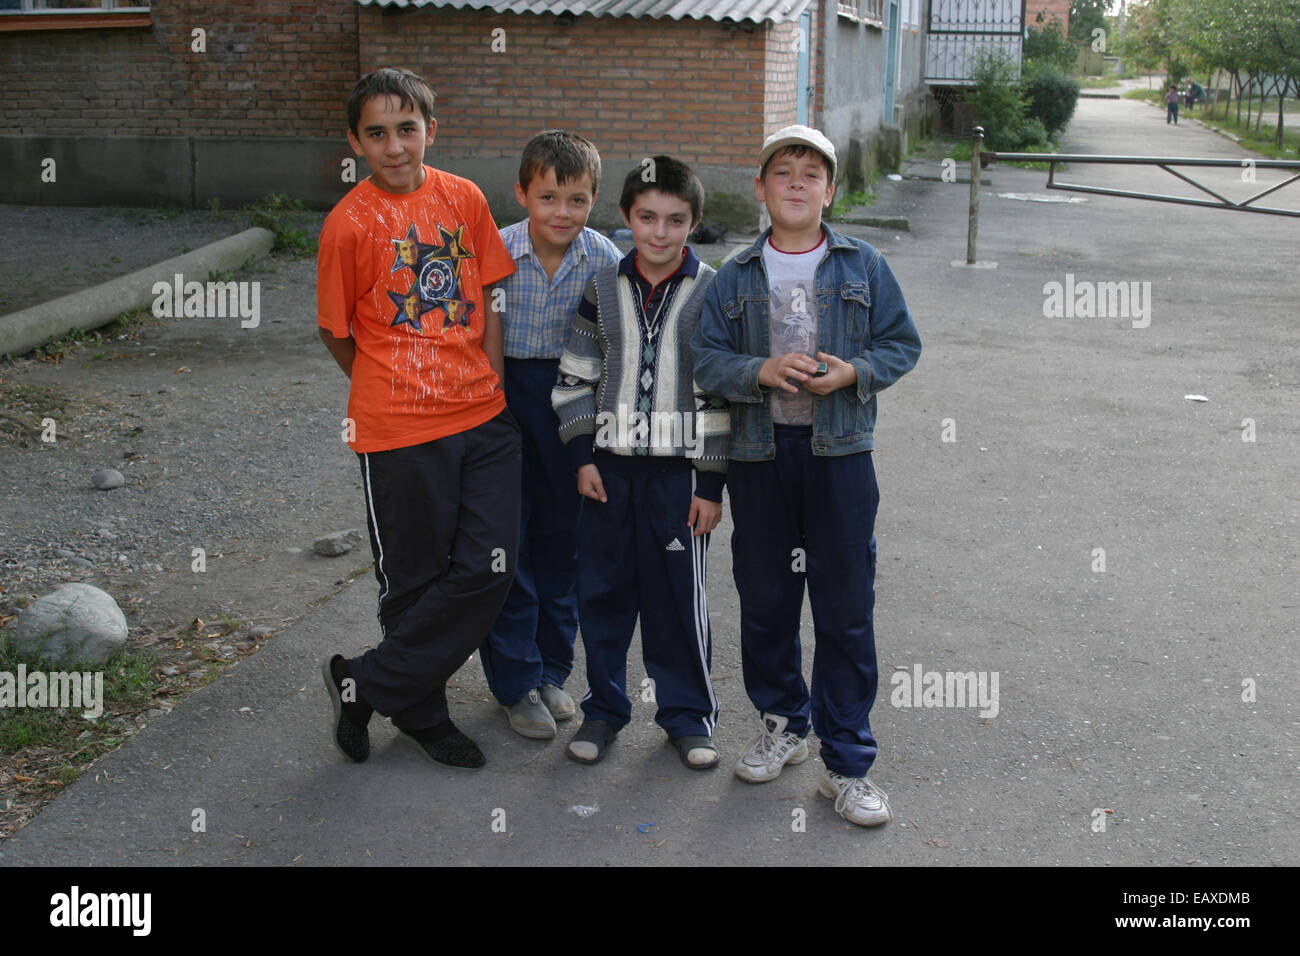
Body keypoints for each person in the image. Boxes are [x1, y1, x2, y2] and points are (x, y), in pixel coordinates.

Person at [690, 125, 921, 826]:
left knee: (846, 610)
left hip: (840, 460)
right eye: (782, 172)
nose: (796, 183)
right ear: (761, 188)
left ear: (830, 189)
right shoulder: (733, 275)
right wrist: (757, 371)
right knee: (765, 602)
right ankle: (784, 724)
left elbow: (901, 343)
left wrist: (856, 373)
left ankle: (847, 764)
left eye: (811, 173)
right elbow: (705, 363)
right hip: (760, 460)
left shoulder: (864, 265)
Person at [316, 67, 521, 770]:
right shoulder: (347, 225)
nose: (395, 146)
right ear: (356, 141)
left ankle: (365, 682)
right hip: (398, 430)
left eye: (407, 129)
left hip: (483, 418)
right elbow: (337, 331)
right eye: (377, 133)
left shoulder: (462, 198)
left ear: (431, 130)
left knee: (490, 565)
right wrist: (388, 384)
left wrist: (488, 375)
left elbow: (490, 292)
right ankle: (424, 713)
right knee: (414, 579)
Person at [551, 156, 729, 769]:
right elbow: (574, 380)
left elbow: (719, 393)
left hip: (677, 480)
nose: (659, 232)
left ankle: (687, 717)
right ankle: (604, 710)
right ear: (626, 216)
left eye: (675, 220)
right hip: (608, 475)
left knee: (678, 599)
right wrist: (582, 457)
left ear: (694, 222)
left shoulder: (713, 291)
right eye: (647, 217)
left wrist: (710, 483)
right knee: (601, 594)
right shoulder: (601, 288)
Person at [480, 131, 622, 740]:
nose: (561, 213)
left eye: (577, 200)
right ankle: (516, 681)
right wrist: (488, 410)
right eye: (548, 198)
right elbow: (479, 335)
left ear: (594, 200)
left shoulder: (605, 259)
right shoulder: (495, 251)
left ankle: (553, 670)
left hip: (573, 403)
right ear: (521, 194)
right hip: (505, 397)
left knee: (562, 543)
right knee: (507, 545)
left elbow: (613, 347)